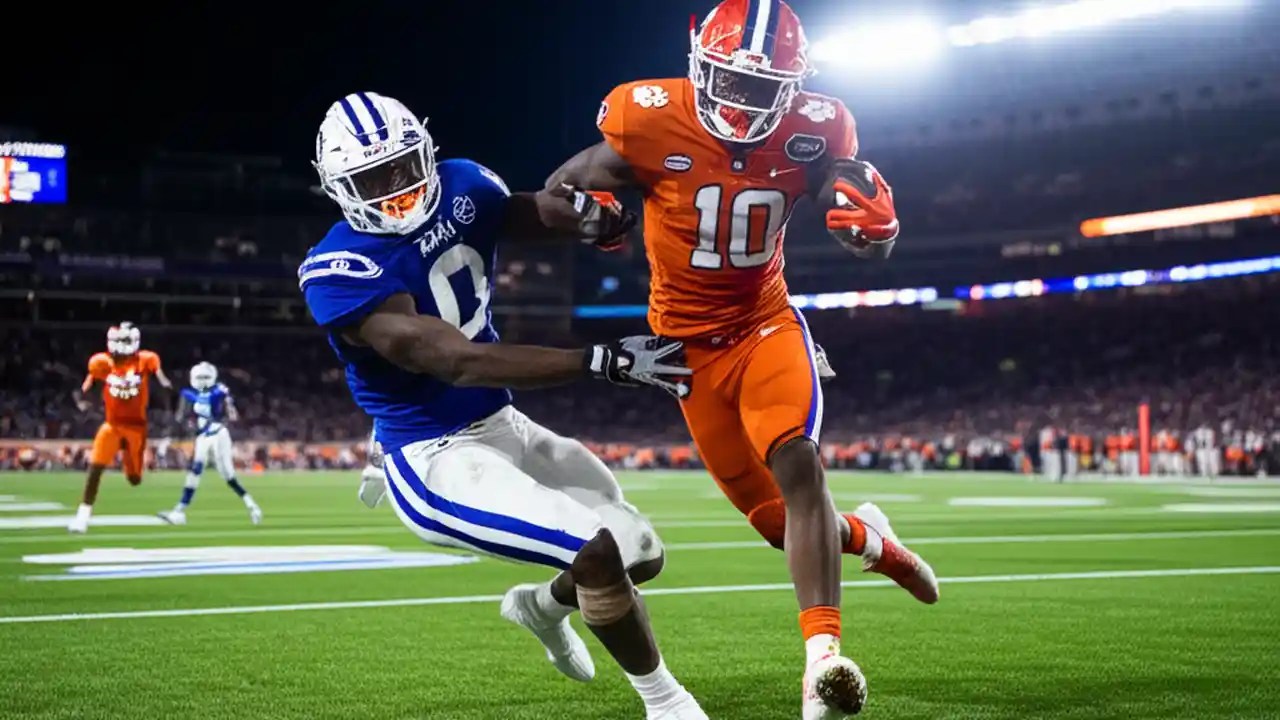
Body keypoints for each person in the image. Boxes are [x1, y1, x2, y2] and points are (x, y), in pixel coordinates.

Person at [545, 2, 937, 716]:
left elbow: (861, 224)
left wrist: (874, 228)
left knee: (797, 460)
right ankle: (875, 543)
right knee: (771, 521)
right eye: (731, 80)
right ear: (700, 63)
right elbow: (565, 186)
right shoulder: (646, 114)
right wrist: (592, 216)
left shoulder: (819, 127)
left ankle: (823, 662)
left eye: (764, 87)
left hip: (763, 324)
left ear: (795, 84)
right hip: (684, 349)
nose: (745, 100)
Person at [300, 92, 706, 719]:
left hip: (502, 421)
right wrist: (596, 360)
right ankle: (668, 703)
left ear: (427, 154)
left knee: (638, 551)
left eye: (406, 167)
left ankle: (541, 608)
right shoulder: (339, 268)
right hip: (435, 452)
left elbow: (523, 212)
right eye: (373, 181)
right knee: (595, 550)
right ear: (338, 188)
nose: (398, 189)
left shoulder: (461, 182)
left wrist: (587, 219)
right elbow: (455, 360)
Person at [69, 322, 172, 533]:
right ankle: (82, 516)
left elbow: (160, 376)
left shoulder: (145, 360)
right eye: (119, 340)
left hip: (136, 428)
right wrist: (83, 398)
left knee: (134, 479)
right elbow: (87, 385)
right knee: (95, 466)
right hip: (112, 425)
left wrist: (165, 385)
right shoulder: (102, 362)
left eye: (125, 341)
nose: (121, 345)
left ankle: (128, 457)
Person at [157, 362, 261, 526]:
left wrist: (227, 401)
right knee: (194, 471)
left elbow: (232, 415)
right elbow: (181, 418)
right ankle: (178, 511)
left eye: (206, 377)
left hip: (218, 433)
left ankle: (251, 505)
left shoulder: (219, 392)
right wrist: (170, 436)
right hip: (203, 436)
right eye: (200, 377)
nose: (203, 381)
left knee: (228, 475)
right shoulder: (189, 394)